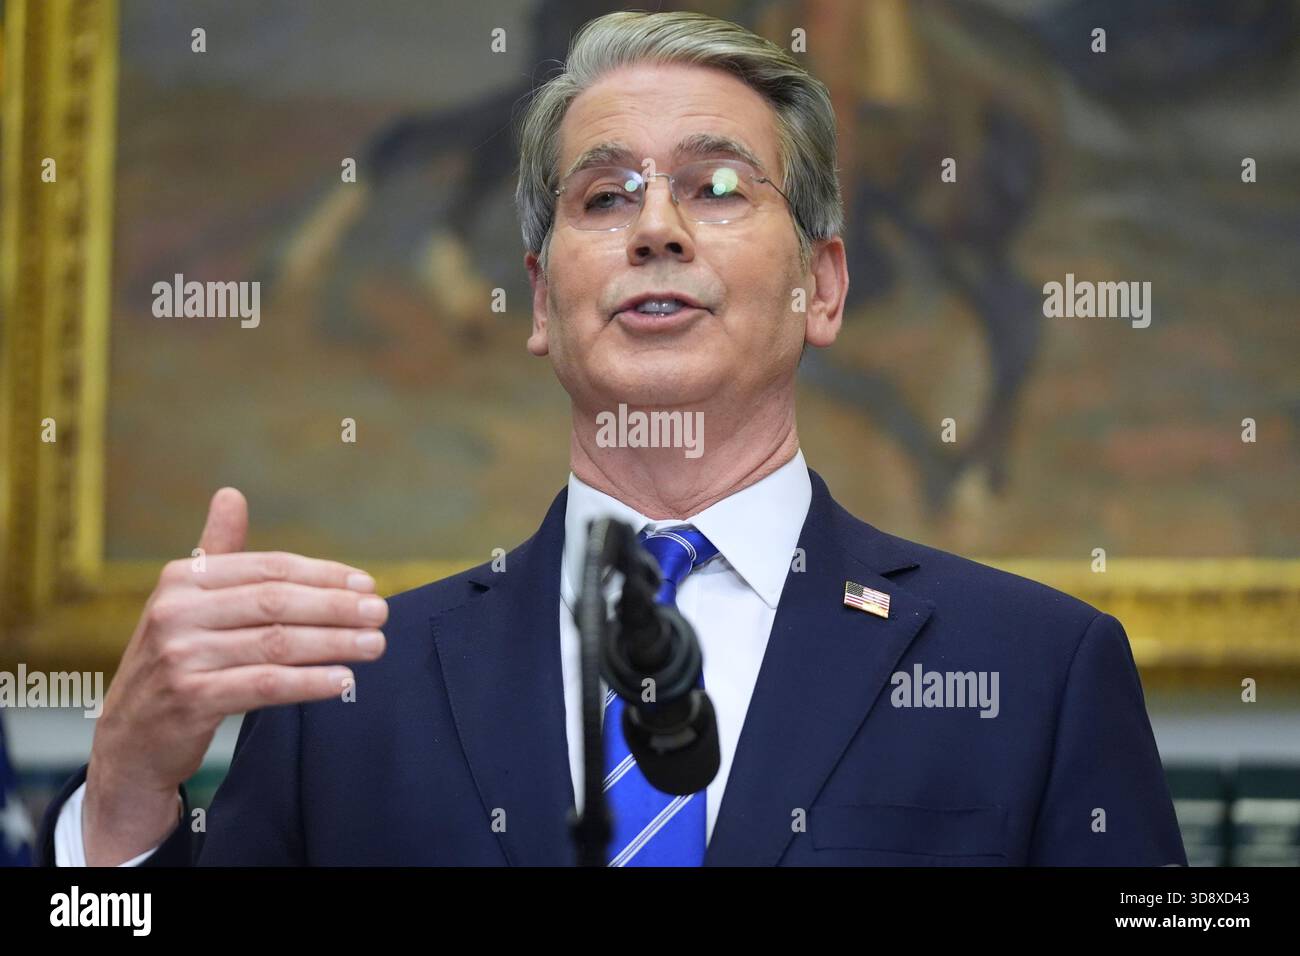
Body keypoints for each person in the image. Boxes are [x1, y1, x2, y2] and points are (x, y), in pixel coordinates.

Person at [37, 10, 1185, 867]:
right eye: (601, 197)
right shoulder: (348, 698)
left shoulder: (1038, 669)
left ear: (823, 286)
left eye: (718, 186)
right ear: (541, 301)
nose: (654, 229)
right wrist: (125, 800)